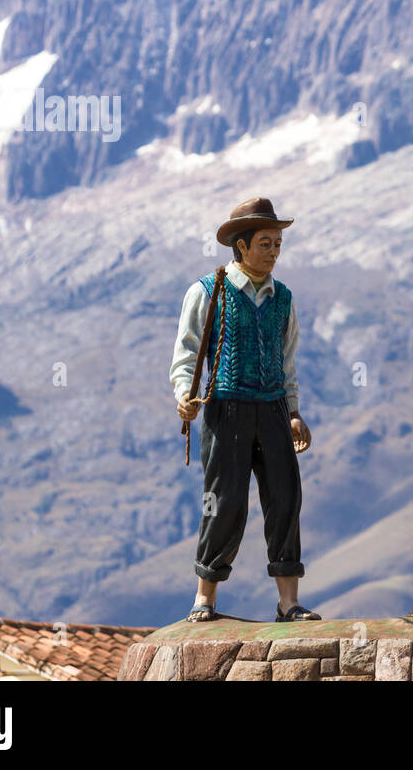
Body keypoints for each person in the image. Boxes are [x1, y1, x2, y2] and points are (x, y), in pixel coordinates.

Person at [169, 197, 320, 623]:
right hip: (226, 411)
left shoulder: (283, 298)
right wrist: (185, 392)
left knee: (285, 497)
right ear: (241, 247)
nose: (274, 251)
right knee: (224, 501)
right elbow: (186, 352)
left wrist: (292, 411)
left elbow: (287, 361)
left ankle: (288, 602)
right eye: (266, 243)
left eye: (278, 243)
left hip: (272, 410)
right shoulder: (207, 291)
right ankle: (205, 597)